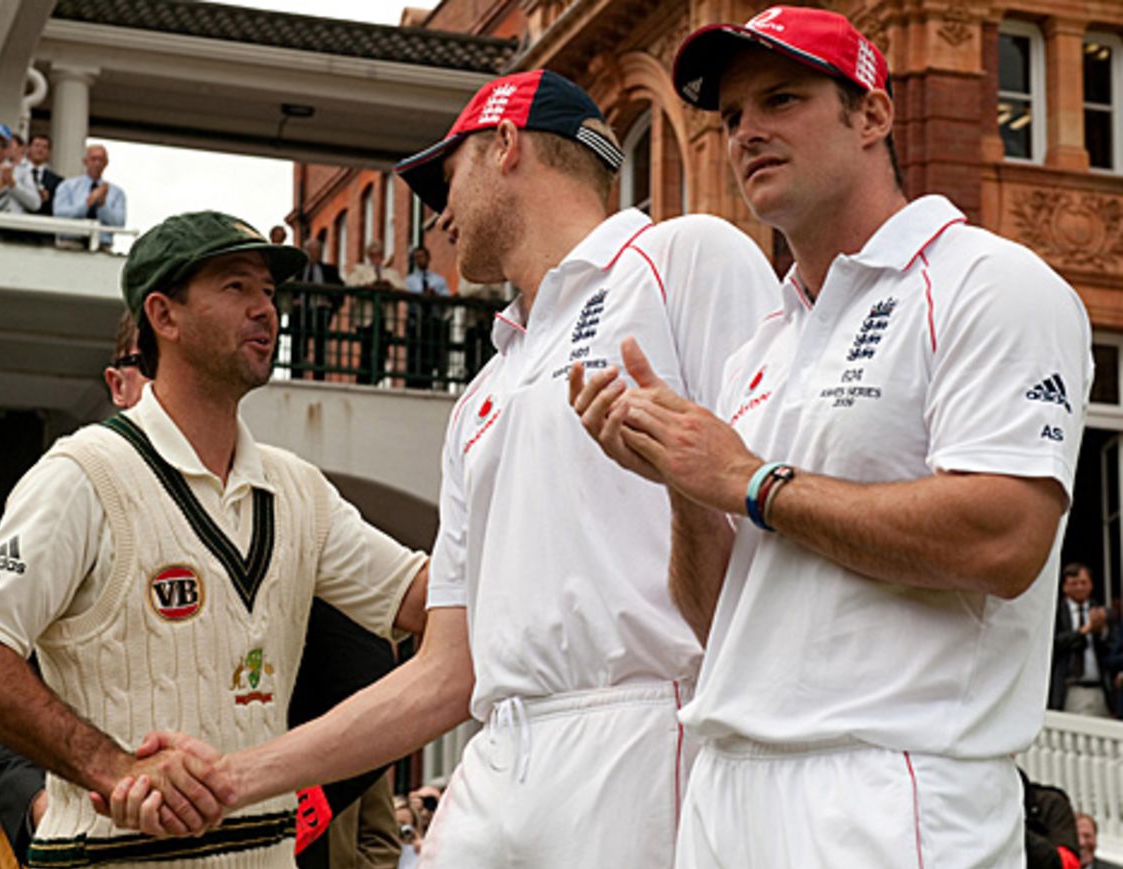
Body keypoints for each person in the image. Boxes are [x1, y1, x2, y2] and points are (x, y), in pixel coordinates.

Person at [109, 69, 777, 869]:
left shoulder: (683, 255)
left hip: (649, 737)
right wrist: (236, 775)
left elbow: (768, 521)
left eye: (446, 176)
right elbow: (444, 670)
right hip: (500, 753)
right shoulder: (483, 390)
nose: (439, 213)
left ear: (504, 146)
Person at [570, 7, 1092, 866]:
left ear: (873, 116)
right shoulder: (762, 346)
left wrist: (747, 477)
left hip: (888, 786)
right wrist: (683, 481)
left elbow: (1006, 536)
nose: (747, 134)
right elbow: (722, 619)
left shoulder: (991, 284)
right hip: (728, 785)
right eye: (732, 117)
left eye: (782, 99)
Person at [0, 211, 430, 866]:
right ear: (163, 316)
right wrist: (108, 766)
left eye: (269, 292)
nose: (265, 310)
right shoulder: (83, 474)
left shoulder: (298, 490)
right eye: (235, 288)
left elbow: (432, 598)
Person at [1051, 563, 1113, 717]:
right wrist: (1083, 631)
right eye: (1074, 583)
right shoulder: (1055, 612)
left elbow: (1112, 648)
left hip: (1100, 688)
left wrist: (1101, 631)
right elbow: (1053, 645)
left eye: (1083, 583)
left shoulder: (1101, 611)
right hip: (1070, 688)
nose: (1079, 587)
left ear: (1091, 585)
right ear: (1064, 587)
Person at [344, 241, 404, 386]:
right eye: (373, 255)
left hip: (385, 318)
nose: (376, 257)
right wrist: (370, 285)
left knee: (382, 351)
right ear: (369, 256)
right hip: (367, 318)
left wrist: (388, 286)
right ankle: (364, 380)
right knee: (366, 350)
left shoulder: (391, 273)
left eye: (378, 254)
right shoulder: (360, 270)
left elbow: (402, 287)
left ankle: (378, 378)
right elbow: (350, 284)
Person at [53, 144, 127, 250]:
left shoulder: (117, 193)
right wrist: (87, 204)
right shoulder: (67, 186)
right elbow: (59, 214)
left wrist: (102, 206)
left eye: (101, 160)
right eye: (93, 159)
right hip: (70, 244)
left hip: (102, 247)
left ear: (106, 163)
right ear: (85, 161)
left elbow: (119, 223)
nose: (97, 163)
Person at [291, 237, 343, 379]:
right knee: (298, 342)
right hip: (300, 311)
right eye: (311, 251)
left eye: (317, 251)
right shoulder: (297, 270)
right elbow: (287, 288)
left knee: (320, 344)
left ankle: (319, 374)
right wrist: (293, 301)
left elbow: (340, 290)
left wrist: (331, 303)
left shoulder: (329, 271)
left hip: (320, 311)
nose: (314, 254)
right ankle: (296, 374)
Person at [403, 246, 451, 390]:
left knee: (433, 353)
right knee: (415, 352)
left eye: (422, 256)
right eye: (417, 257)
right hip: (416, 320)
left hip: (433, 321)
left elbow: (447, 296)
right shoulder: (409, 280)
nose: (420, 260)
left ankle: (432, 379)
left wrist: (435, 295)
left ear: (428, 258)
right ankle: (414, 380)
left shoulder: (438, 280)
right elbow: (408, 296)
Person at [21, 134, 63, 218]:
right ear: (28, 149)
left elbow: (57, 209)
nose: (40, 149)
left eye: (45, 147)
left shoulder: (57, 181)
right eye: (37, 145)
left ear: (49, 152)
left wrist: (47, 200)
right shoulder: (17, 173)